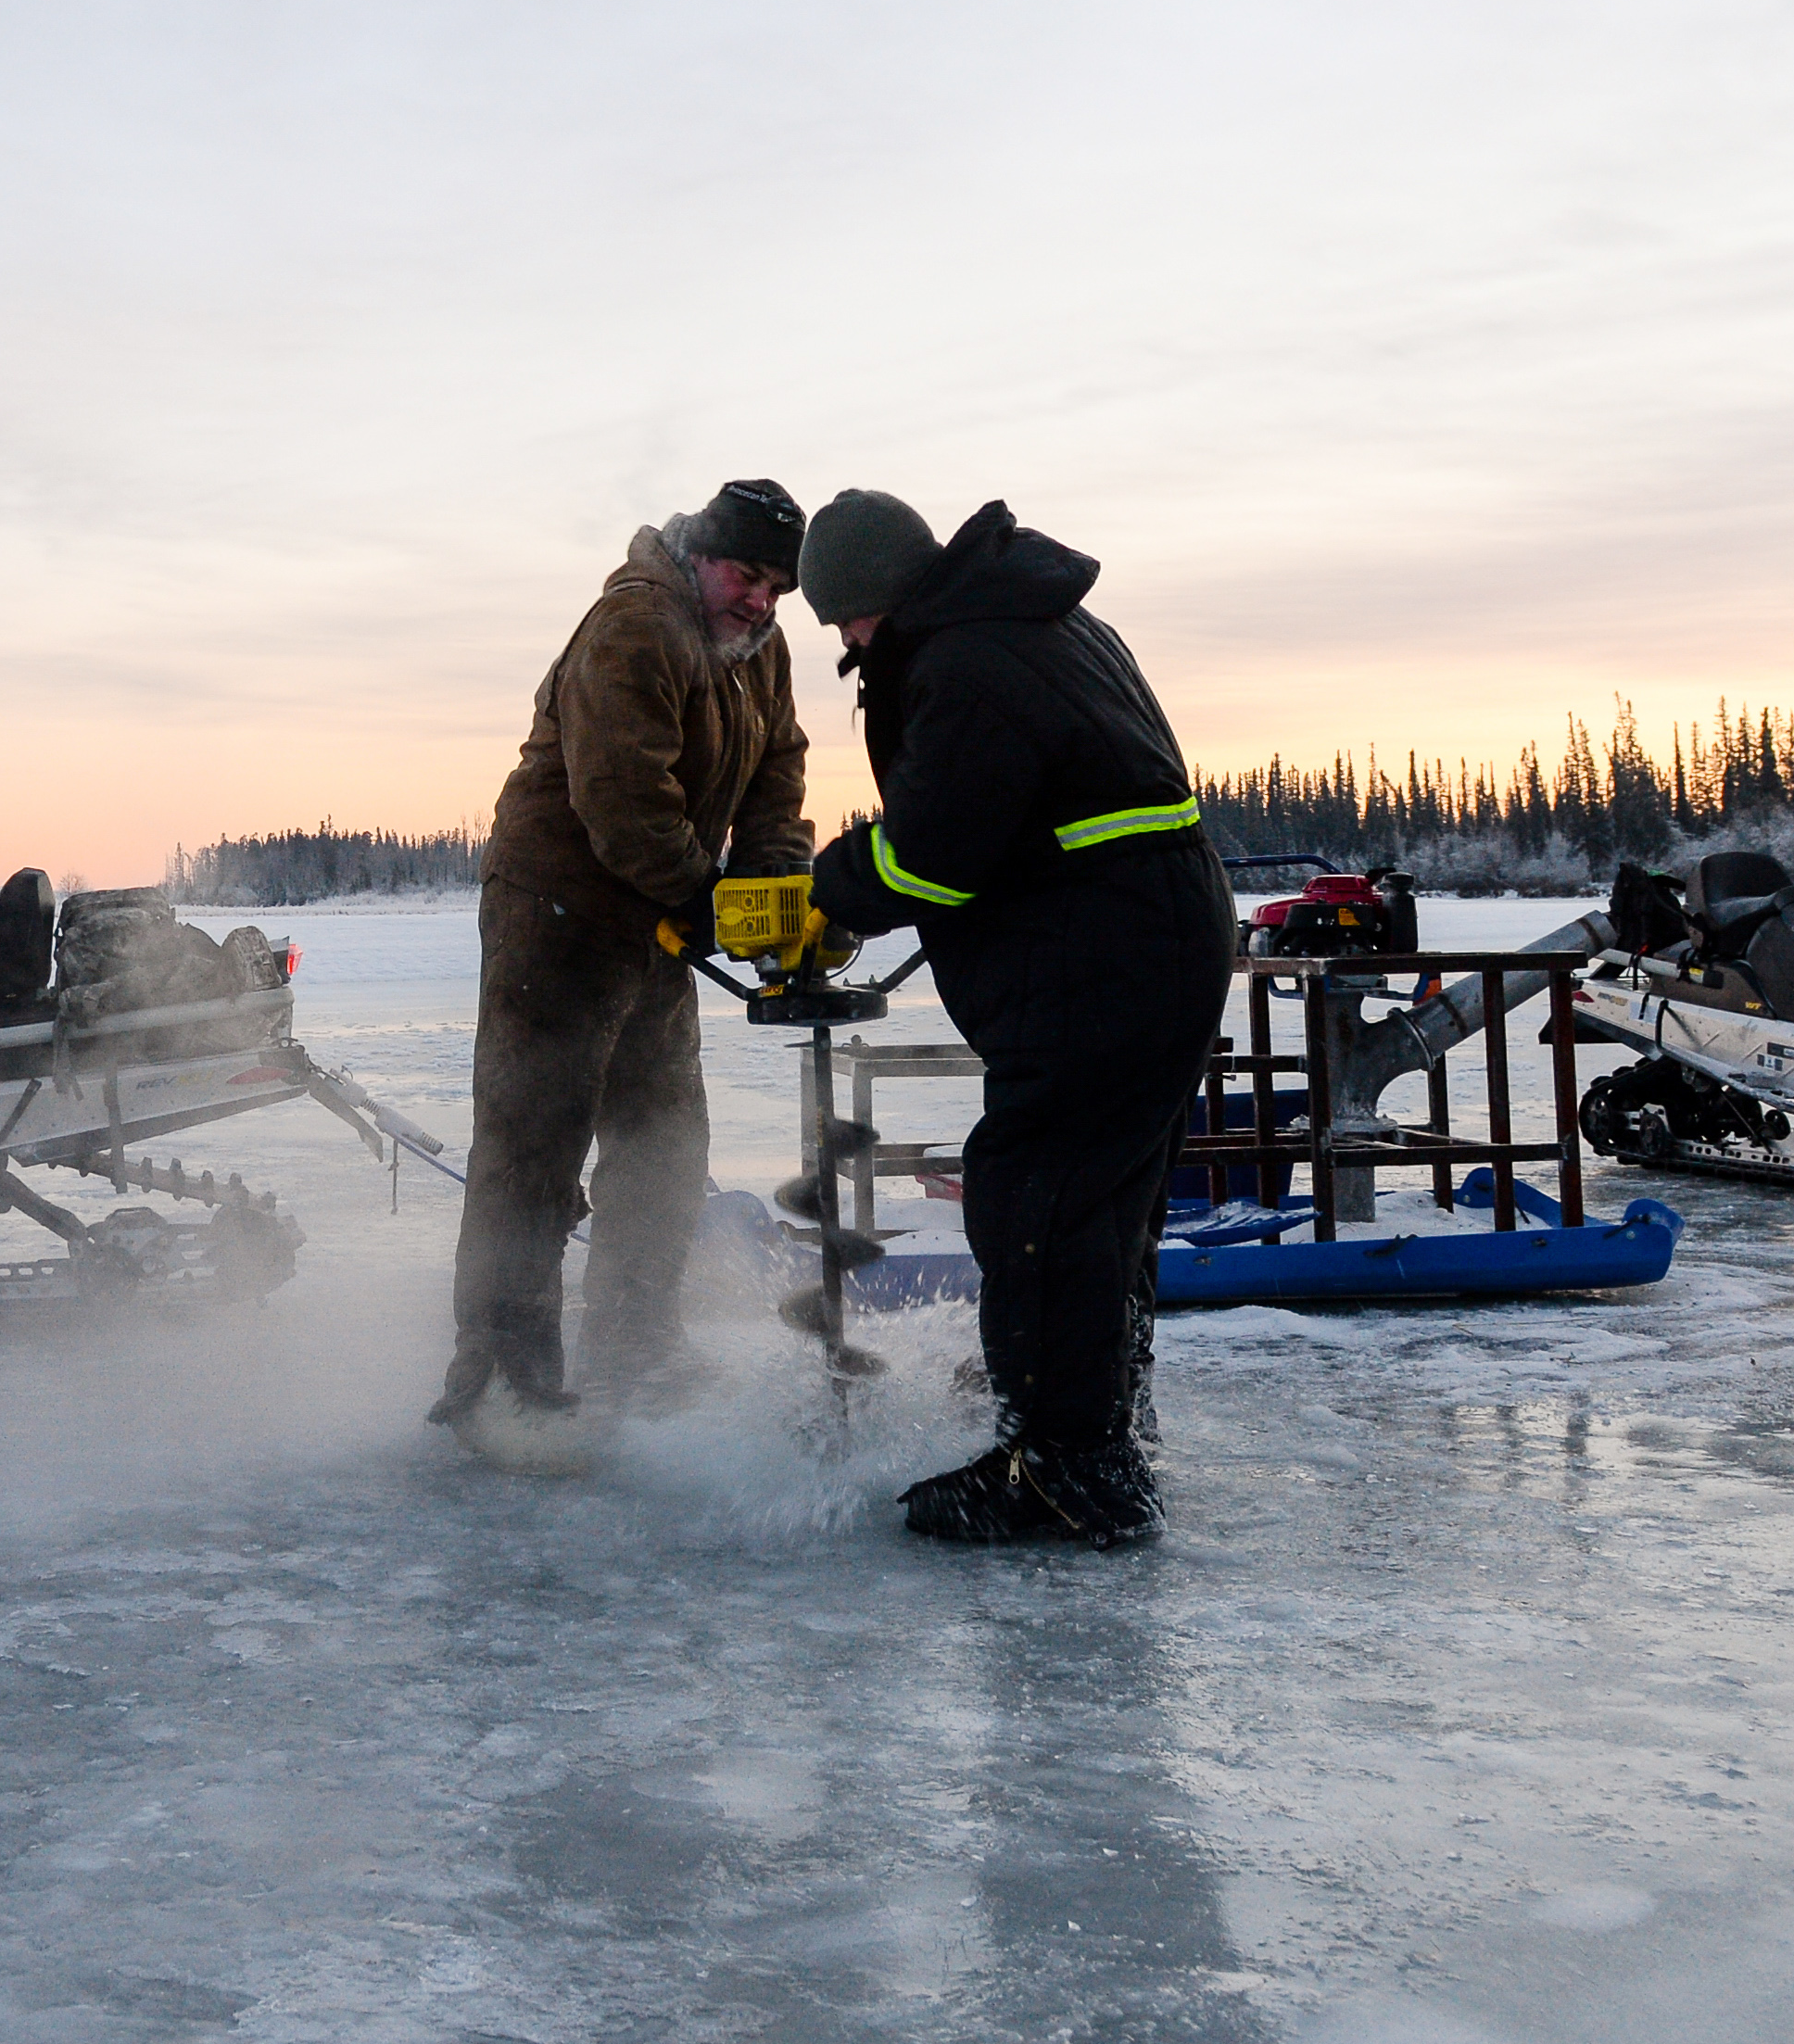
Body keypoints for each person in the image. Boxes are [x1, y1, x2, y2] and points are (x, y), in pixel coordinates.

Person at [795, 490, 1234, 1547]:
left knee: (1038, 1198)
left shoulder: (966, 664)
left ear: (876, 596)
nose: (849, 644)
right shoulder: (1043, 622)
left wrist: (829, 888)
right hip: (1156, 940)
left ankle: (1066, 1474)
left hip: (1099, 958)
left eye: (844, 620)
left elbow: (932, 856)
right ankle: (1099, 1423)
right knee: (1104, 1207)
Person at [434, 478, 814, 1446]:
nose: (760, 599)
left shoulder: (755, 649)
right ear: (699, 555)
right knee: (533, 1138)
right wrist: (703, 895)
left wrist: (771, 882)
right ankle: (502, 1367)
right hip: (557, 909)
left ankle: (636, 1343)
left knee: (665, 1137)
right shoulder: (635, 625)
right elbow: (621, 793)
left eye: (777, 584)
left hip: (655, 914)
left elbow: (778, 770)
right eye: (746, 574)